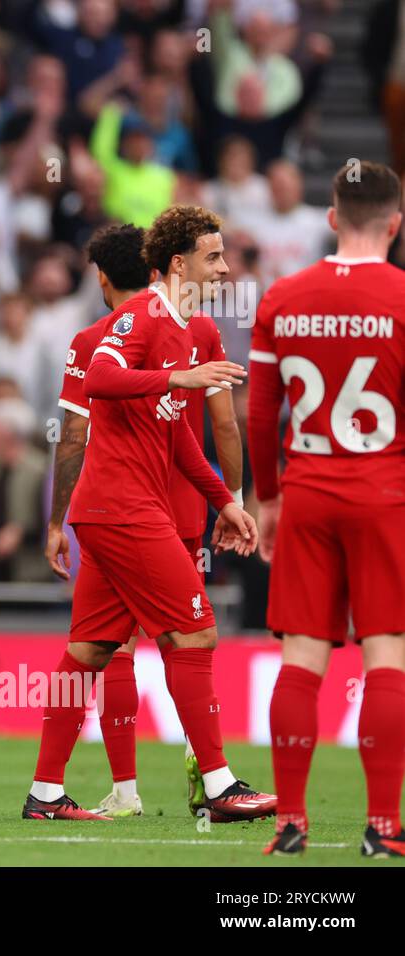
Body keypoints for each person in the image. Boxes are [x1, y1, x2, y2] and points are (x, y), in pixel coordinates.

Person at [23, 204, 275, 823]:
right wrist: (177, 377)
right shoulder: (143, 316)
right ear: (179, 263)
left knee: (89, 649)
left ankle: (46, 794)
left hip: (111, 510)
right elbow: (102, 381)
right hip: (123, 508)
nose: (223, 268)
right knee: (196, 632)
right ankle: (217, 788)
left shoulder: (186, 326)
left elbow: (175, 438)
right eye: (213, 257)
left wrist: (223, 501)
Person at [249, 161, 405, 858]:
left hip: (307, 491)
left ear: (333, 217)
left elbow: (258, 410)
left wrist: (267, 496)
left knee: (301, 663)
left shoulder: (283, 295)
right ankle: (382, 827)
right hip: (385, 494)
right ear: (395, 225)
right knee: (389, 662)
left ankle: (290, 824)